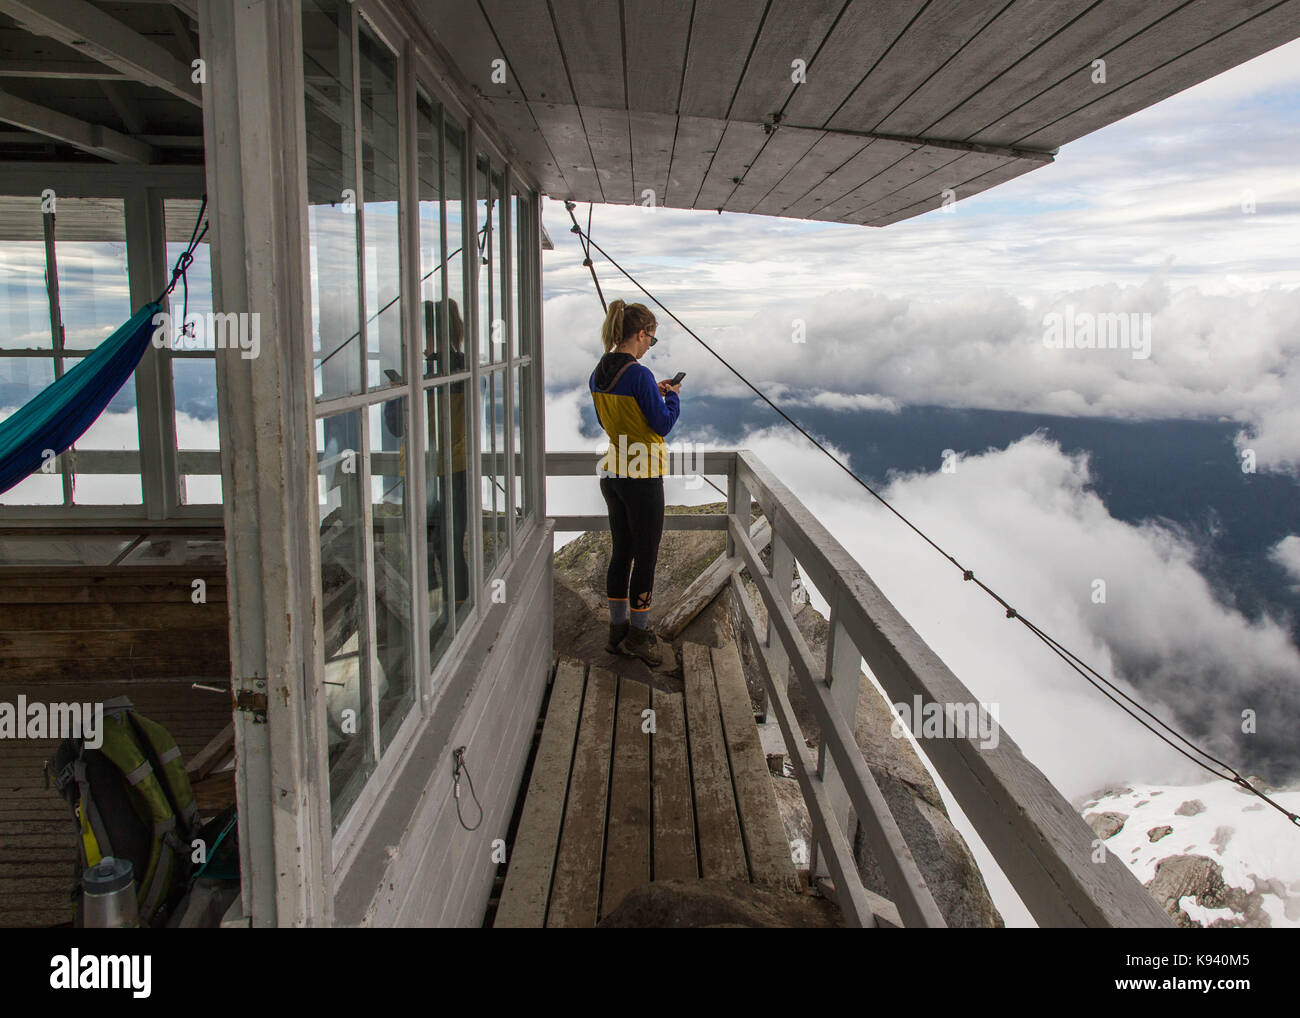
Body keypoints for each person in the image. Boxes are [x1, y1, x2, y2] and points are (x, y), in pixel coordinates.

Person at [589, 299, 681, 666]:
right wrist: (672, 398)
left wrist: (651, 393)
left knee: (621, 554)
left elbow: (611, 414)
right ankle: (639, 636)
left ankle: (617, 632)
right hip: (642, 475)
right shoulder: (639, 374)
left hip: (613, 472)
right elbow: (661, 425)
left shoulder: (598, 372)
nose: (649, 347)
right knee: (646, 557)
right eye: (651, 340)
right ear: (641, 334)